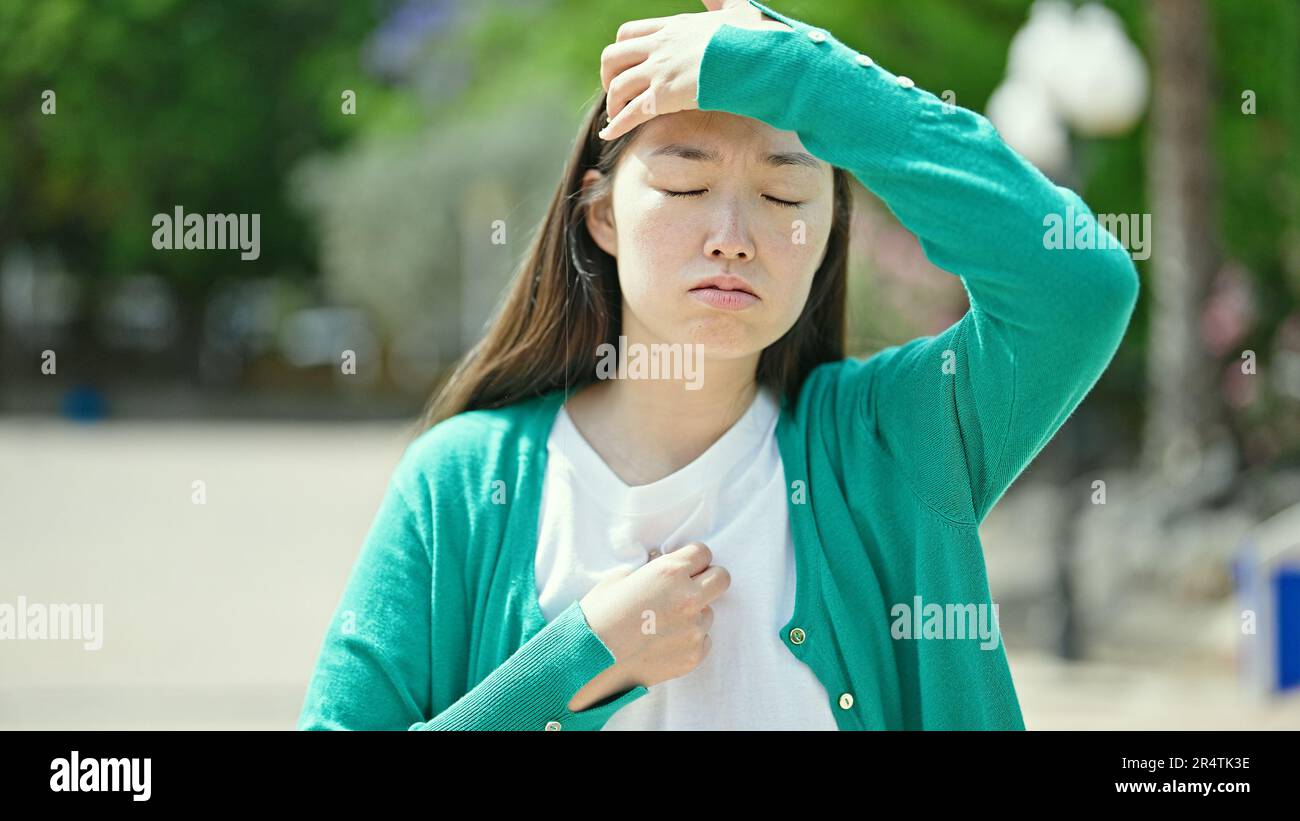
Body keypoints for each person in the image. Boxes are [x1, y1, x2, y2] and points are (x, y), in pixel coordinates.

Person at [298, 0, 1139, 730]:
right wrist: (577, 665)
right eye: (685, 185)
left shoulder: (893, 445)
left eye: (783, 197)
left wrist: (803, 77)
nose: (733, 235)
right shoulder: (461, 482)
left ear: (825, 239)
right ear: (601, 217)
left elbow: (1080, 287)